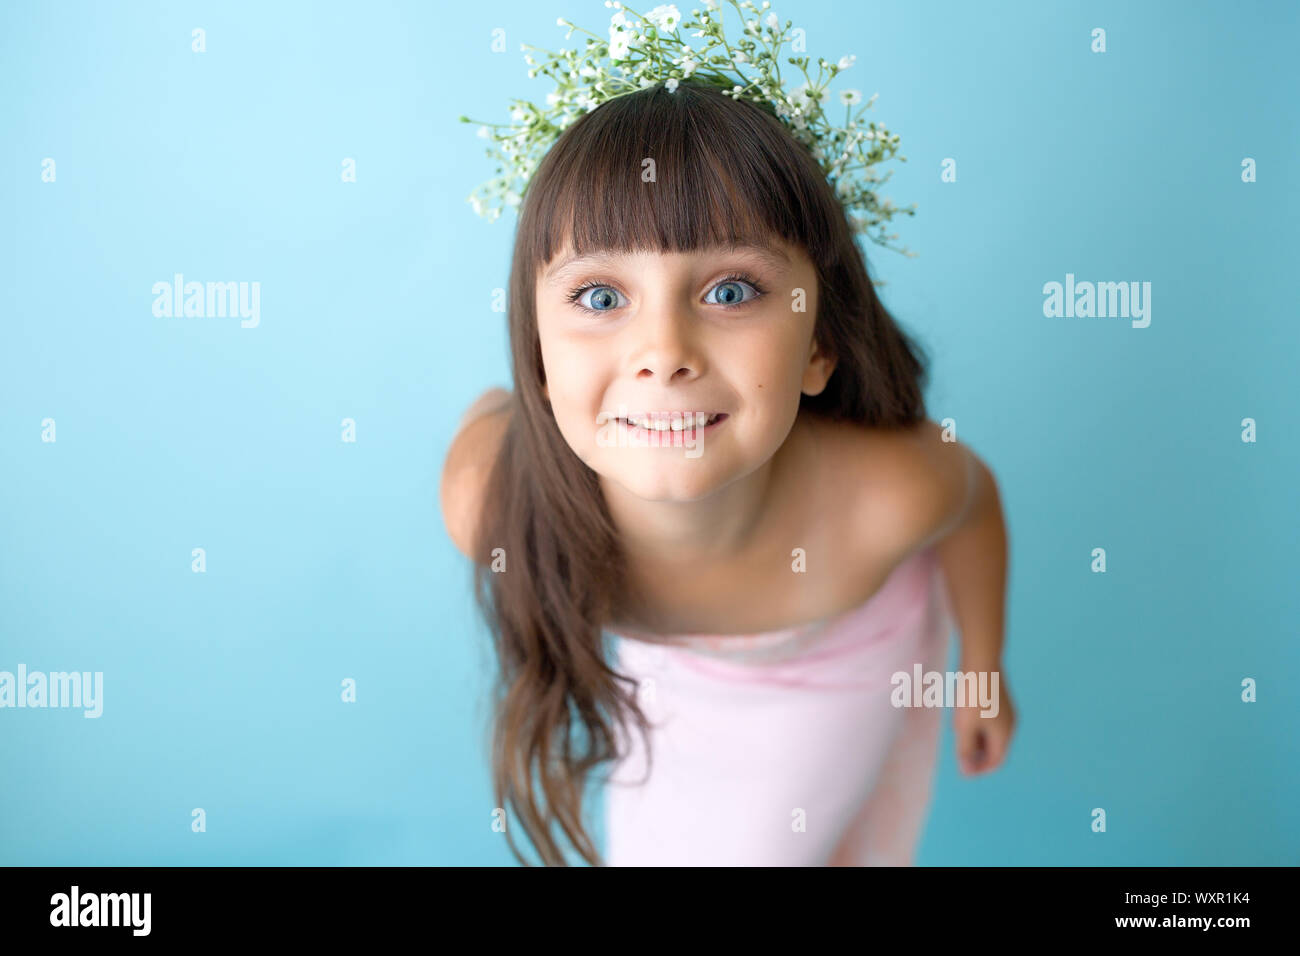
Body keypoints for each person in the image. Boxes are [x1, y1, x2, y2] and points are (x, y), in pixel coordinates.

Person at [441, 77, 1013, 866]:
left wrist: (981, 666)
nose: (664, 354)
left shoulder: (887, 499)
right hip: (669, 685)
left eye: (730, 290)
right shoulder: (488, 501)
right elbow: (489, 410)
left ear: (818, 347)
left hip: (843, 660)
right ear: (537, 356)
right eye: (602, 296)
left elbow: (974, 504)